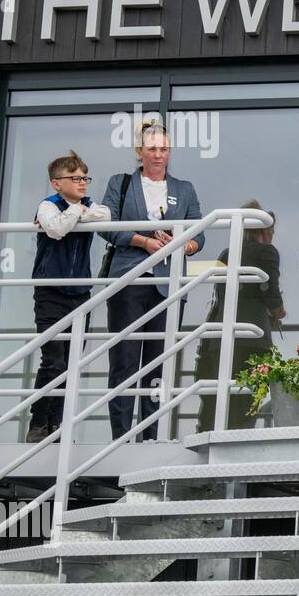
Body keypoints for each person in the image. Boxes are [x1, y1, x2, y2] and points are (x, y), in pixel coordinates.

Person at [101, 120, 204, 442]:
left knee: (158, 364)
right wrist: (142, 241)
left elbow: (198, 234)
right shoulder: (121, 184)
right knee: (125, 362)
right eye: (152, 149)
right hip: (130, 280)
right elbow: (106, 227)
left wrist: (184, 243)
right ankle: (120, 435)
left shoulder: (184, 188)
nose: (158, 155)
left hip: (167, 284)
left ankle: (150, 435)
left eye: (164, 149)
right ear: (139, 152)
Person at [27, 150, 111, 443]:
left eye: (85, 178)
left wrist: (80, 211)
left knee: (72, 363)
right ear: (56, 183)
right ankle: (39, 424)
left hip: (79, 294)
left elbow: (106, 215)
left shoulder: (85, 204)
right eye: (75, 178)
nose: (83, 183)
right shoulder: (47, 205)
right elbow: (56, 228)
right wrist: (77, 212)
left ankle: (58, 428)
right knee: (54, 362)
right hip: (51, 293)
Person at [194, 200, 285, 432]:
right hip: (250, 336)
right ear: (264, 230)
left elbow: (220, 292)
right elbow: (270, 289)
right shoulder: (267, 252)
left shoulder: (227, 253)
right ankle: (238, 435)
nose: (273, 236)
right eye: (271, 230)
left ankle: (212, 432)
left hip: (218, 334)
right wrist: (278, 311)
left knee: (218, 397)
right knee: (246, 396)